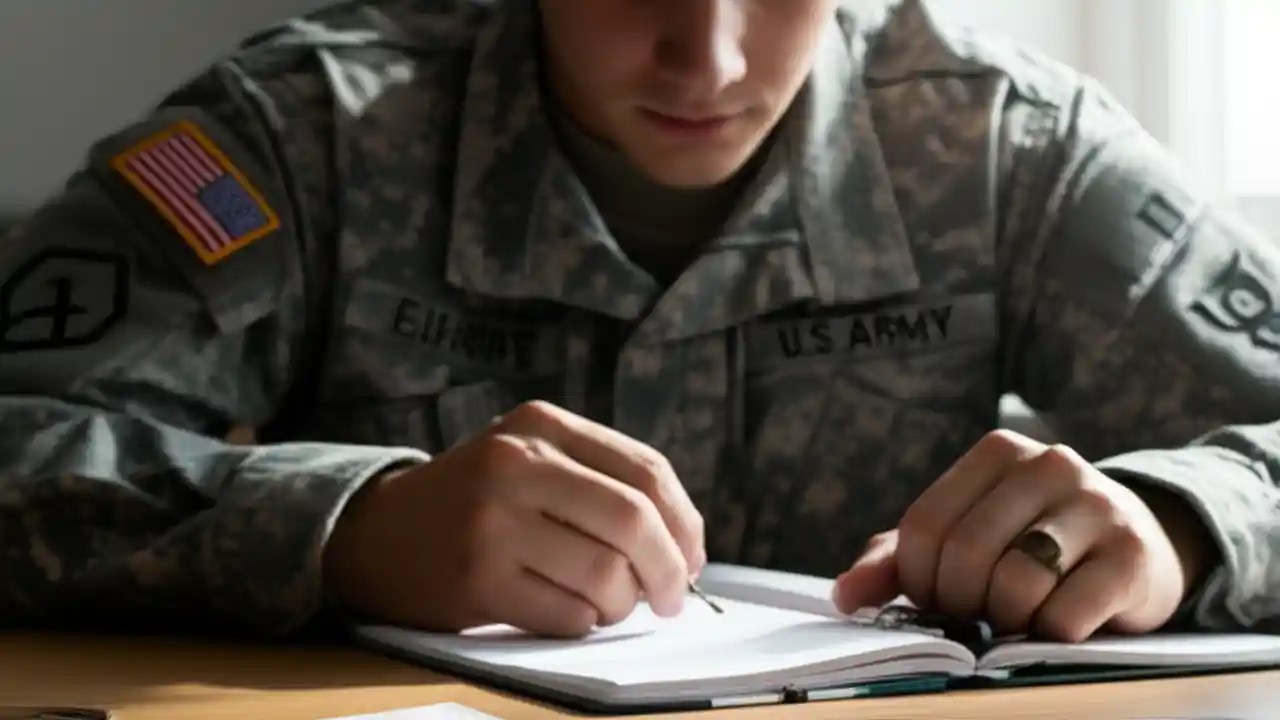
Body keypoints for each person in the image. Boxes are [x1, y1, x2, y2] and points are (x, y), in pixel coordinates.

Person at [0, 0, 1276, 644]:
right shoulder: (308, 137)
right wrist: (347, 532)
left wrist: (1177, 526)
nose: (708, 58)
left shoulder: (1004, 149)